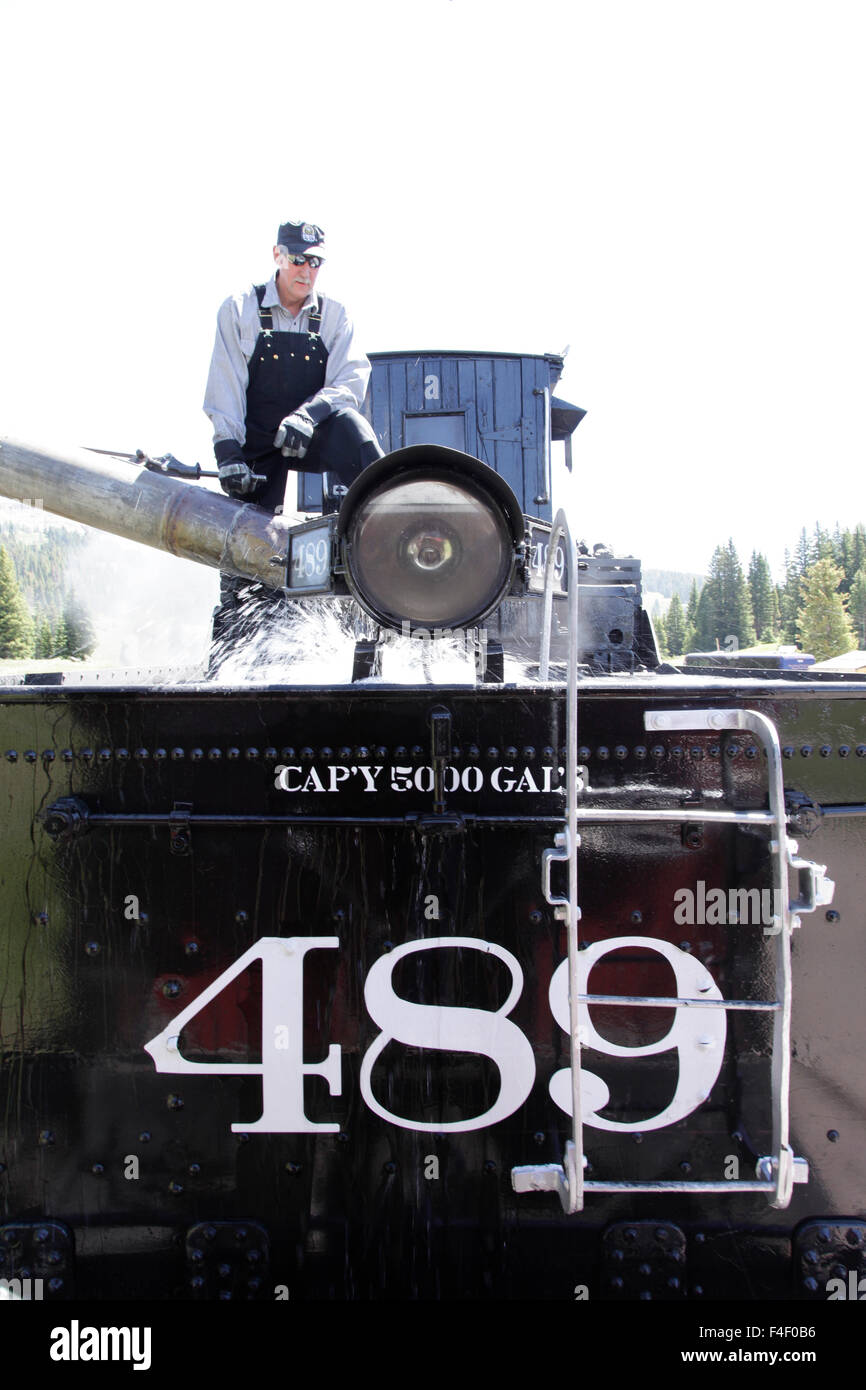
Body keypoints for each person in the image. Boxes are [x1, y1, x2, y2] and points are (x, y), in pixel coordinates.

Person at [203, 218, 384, 652]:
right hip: (258, 440)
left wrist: (307, 416)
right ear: (277, 256)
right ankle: (238, 637)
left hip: (313, 430)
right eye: (298, 259)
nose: (306, 270)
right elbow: (225, 385)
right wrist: (228, 453)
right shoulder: (238, 308)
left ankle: (392, 531)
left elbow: (350, 380)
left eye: (315, 262)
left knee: (355, 434)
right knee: (247, 534)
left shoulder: (336, 315)